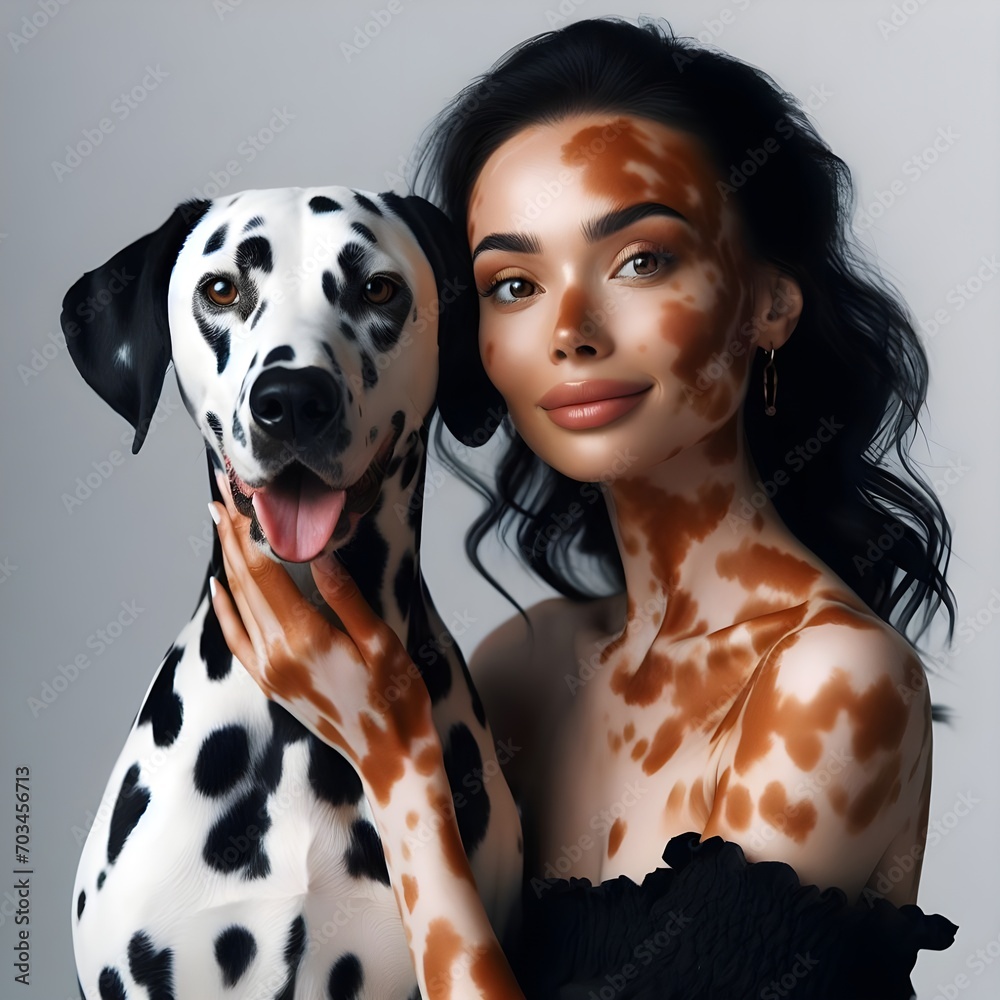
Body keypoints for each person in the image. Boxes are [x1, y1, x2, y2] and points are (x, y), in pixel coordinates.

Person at [211, 16, 959, 998]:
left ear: (770, 301)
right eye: (513, 284)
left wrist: (401, 773)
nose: (568, 330)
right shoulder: (520, 671)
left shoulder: (833, 680)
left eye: (639, 259)